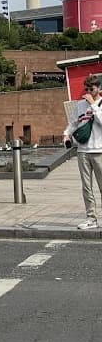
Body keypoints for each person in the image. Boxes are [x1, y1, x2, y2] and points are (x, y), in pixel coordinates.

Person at [63, 74, 102, 229]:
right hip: (83, 151)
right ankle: (91, 219)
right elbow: (73, 123)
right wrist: (66, 134)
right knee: (86, 187)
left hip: (99, 150)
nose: (88, 92)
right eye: (86, 89)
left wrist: (93, 105)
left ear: (99, 88)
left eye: (91, 89)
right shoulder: (80, 105)